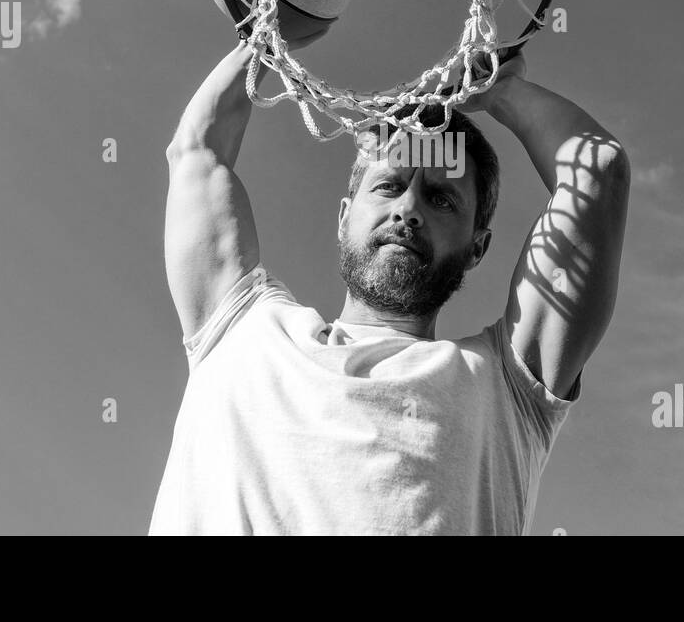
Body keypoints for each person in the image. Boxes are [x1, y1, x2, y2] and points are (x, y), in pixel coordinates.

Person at [149, 42, 630, 535]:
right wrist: (266, 35)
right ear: (343, 217)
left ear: (477, 247)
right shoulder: (239, 327)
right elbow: (196, 152)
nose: (408, 209)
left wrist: (500, 92)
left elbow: (599, 174)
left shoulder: (507, 388)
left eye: (441, 198)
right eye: (388, 185)